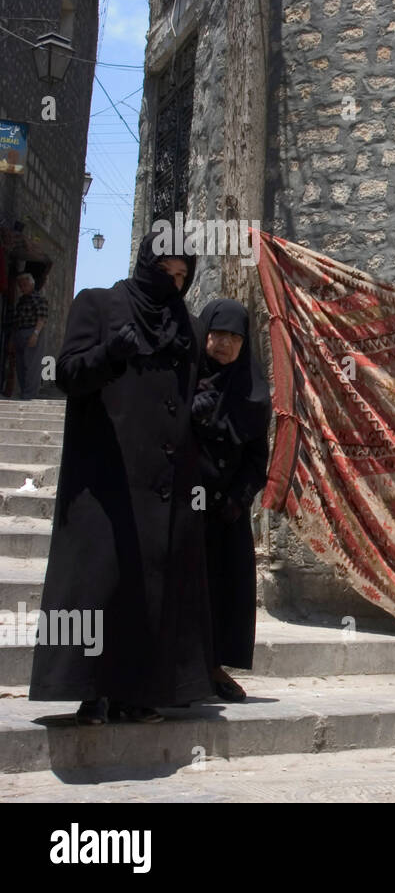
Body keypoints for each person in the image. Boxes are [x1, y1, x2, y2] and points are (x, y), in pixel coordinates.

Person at [28, 232, 214, 724]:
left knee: (150, 589)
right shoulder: (98, 304)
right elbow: (66, 373)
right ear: (145, 263)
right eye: (166, 272)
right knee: (98, 582)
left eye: (183, 277)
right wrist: (108, 355)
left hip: (164, 480)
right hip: (106, 474)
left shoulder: (188, 327)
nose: (174, 285)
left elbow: (192, 391)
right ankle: (90, 690)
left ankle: (140, 692)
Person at [191, 298, 270, 702]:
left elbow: (258, 458)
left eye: (235, 337)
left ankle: (214, 667)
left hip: (226, 509)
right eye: (218, 334)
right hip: (182, 506)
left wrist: (239, 498)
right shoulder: (182, 379)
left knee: (225, 589)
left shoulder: (252, 393)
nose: (225, 344)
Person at [11, 272, 48, 399]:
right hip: (20, 333)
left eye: (24, 285)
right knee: (20, 365)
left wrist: (35, 334)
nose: (22, 287)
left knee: (32, 365)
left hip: (33, 332)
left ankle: (29, 394)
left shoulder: (39, 299)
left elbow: (42, 318)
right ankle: (24, 392)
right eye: (20, 285)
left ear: (31, 284)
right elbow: (16, 320)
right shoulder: (21, 301)